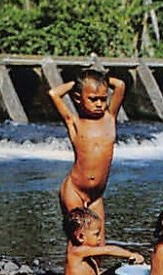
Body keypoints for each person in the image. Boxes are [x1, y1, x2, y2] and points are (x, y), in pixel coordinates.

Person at [48, 68, 126, 241]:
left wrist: (101, 78)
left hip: (96, 195)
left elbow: (120, 85)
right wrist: (79, 82)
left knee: (98, 242)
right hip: (74, 190)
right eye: (92, 99)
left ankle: (95, 269)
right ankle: (73, 269)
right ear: (78, 98)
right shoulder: (74, 122)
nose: (99, 103)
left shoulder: (109, 118)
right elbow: (54, 94)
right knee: (80, 240)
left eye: (103, 99)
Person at [63, 206, 144, 275]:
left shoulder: (85, 257)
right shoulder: (77, 252)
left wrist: (118, 267)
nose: (100, 238)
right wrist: (130, 254)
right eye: (96, 234)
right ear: (81, 236)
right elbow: (109, 250)